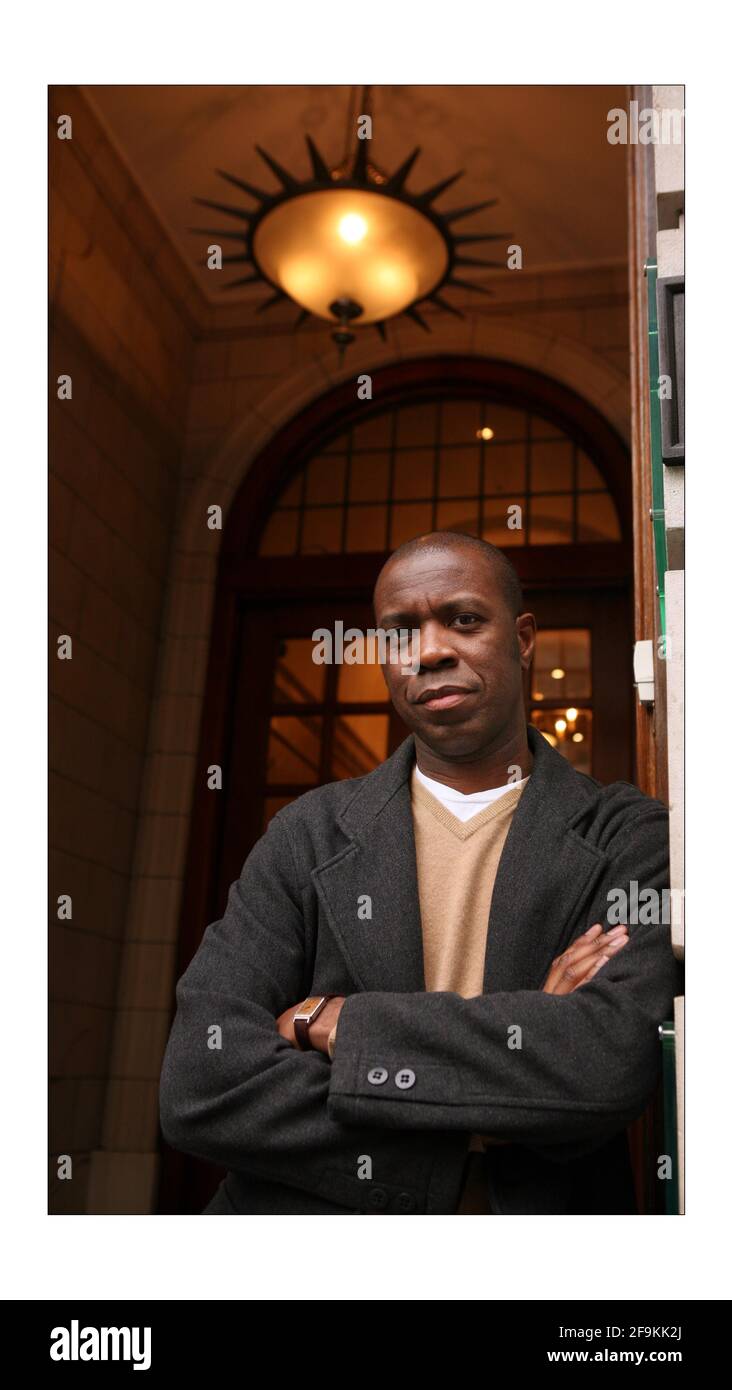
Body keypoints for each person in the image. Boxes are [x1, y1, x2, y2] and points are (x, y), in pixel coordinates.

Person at [159, 531, 680, 1214]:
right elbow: (202, 1079)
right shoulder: (305, 835)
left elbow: (606, 1066)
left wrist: (334, 1025)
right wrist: (499, 1099)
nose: (430, 651)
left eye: (463, 620)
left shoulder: (629, 835)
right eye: (400, 632)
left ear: (523, 638)